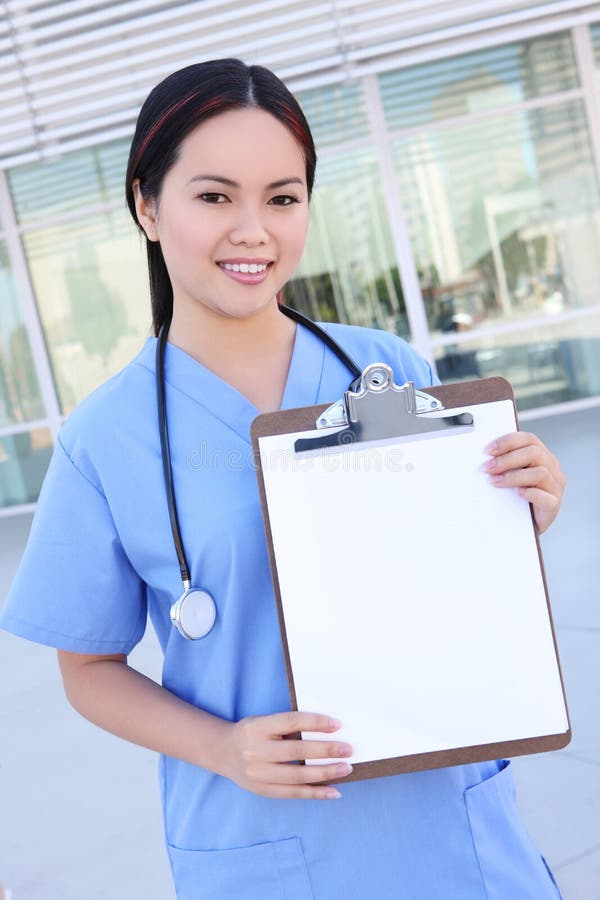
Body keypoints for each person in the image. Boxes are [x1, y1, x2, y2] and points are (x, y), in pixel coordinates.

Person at [0, 59, 566, 899]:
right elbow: (88, 669)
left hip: (449, 829)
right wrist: (222, 749)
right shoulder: (101, 443)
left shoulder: (389, 368)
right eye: (214, 196)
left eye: (282, 197)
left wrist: (525, 502)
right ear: (148, 208)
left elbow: (460, 564)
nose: (253, 230)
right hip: (264, 839)